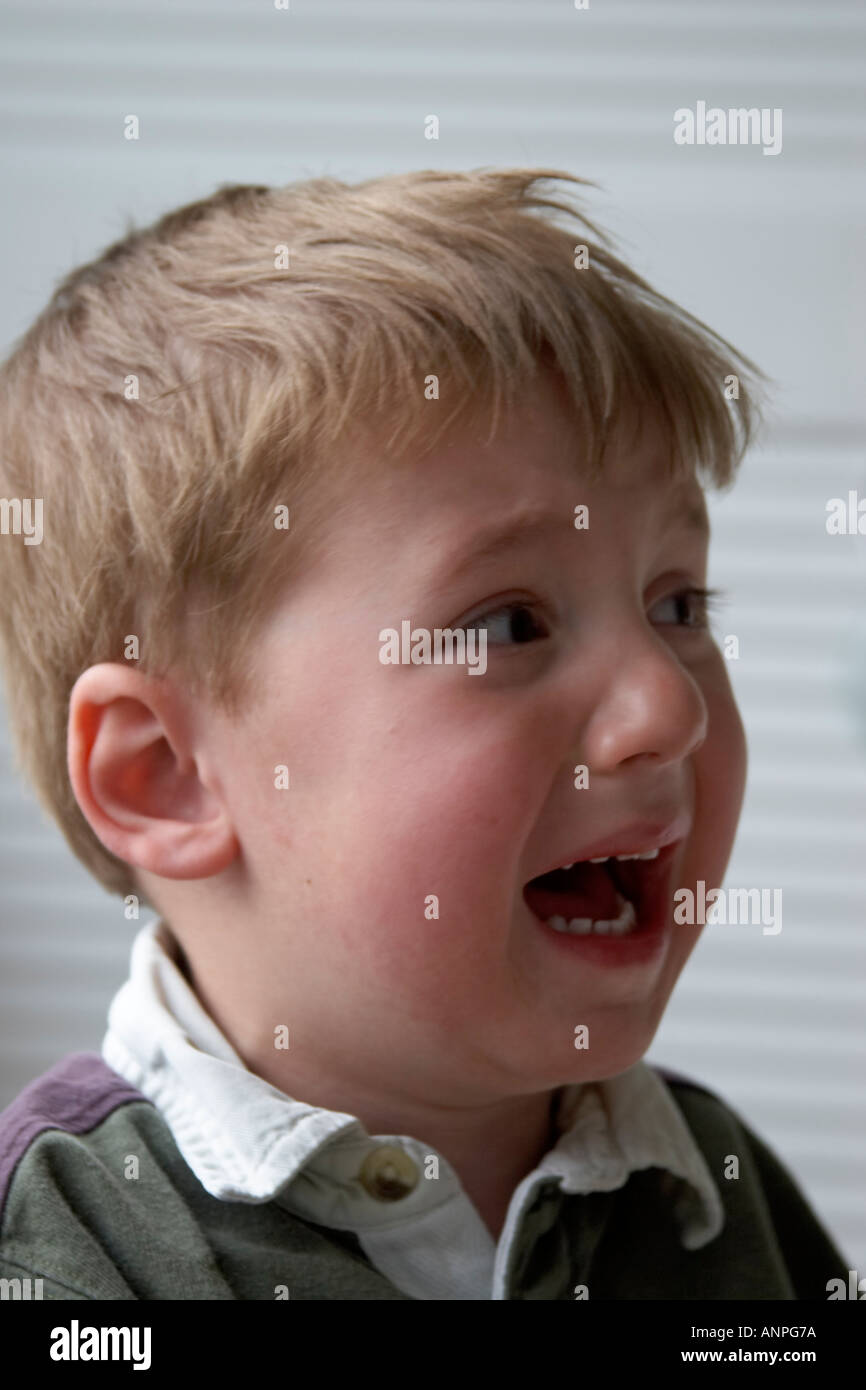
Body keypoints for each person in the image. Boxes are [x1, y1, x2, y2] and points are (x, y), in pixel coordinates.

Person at [0, 168, 849, 1299]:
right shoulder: (70, 1260)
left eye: (677, 605)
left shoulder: (714, 1195)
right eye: (508, 622)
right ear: (167, 777)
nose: (668, 705)